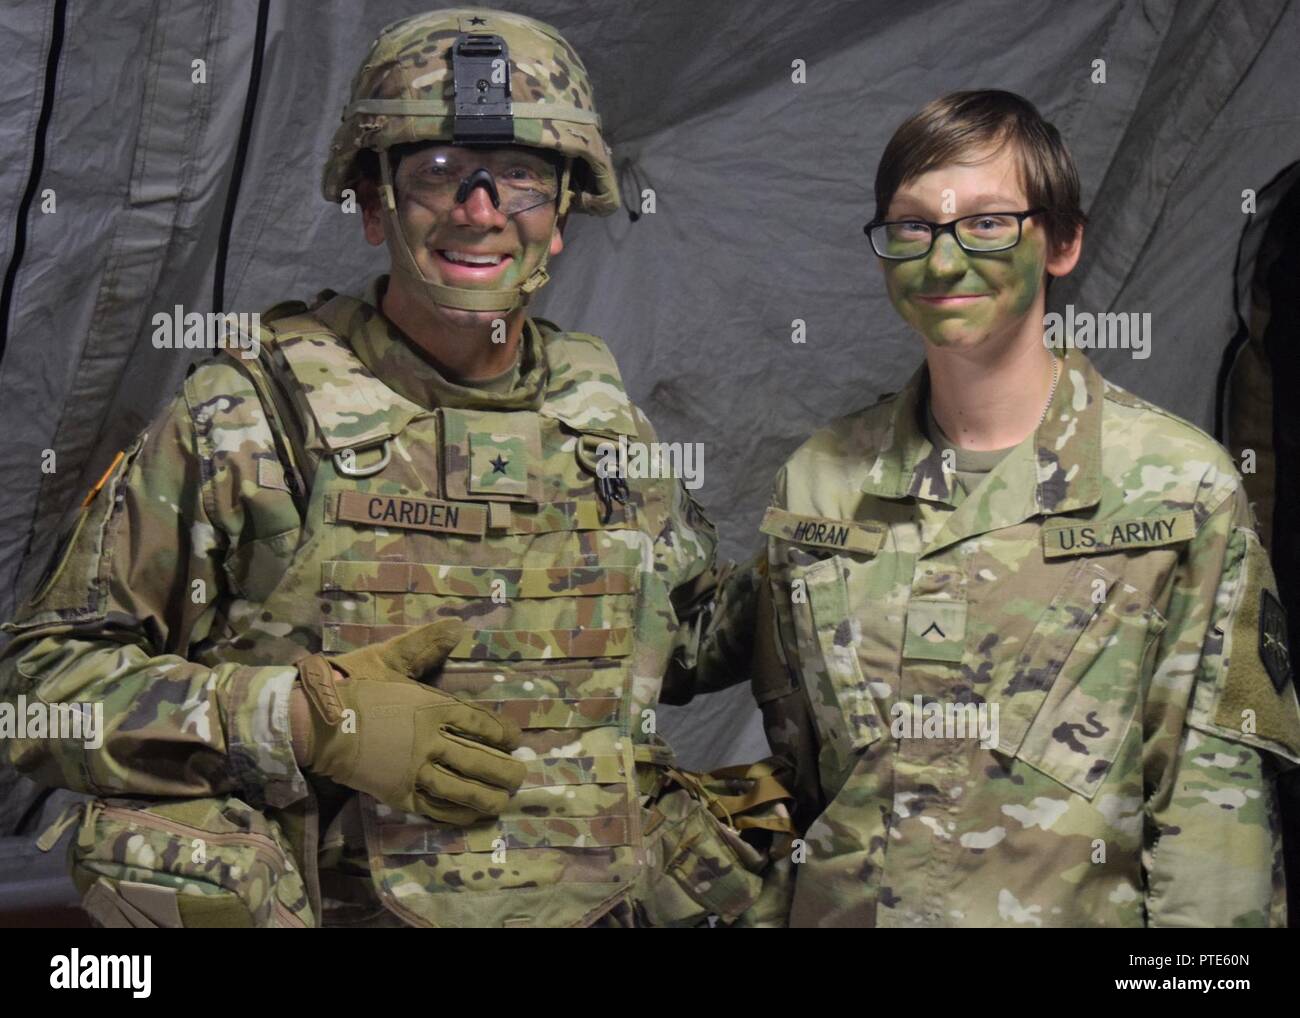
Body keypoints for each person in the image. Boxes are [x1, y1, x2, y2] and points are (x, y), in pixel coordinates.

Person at [0, 8, 785, 928]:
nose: (481, 210)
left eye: (521, 178)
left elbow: (673, 644)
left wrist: (815, 576)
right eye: (439, 173)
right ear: (375, 204)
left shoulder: (599, 414)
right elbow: (39, 689)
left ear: (562, 213)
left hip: (588, 900)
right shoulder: (253, 420)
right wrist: (302, 720)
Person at [701, 89, 1300, 926]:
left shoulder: (1176, 489)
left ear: (1061, 241)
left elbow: (1213, 821)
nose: (942, 263)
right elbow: (784, 744)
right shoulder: (822, 484)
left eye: (987, 223)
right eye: (912, 227)